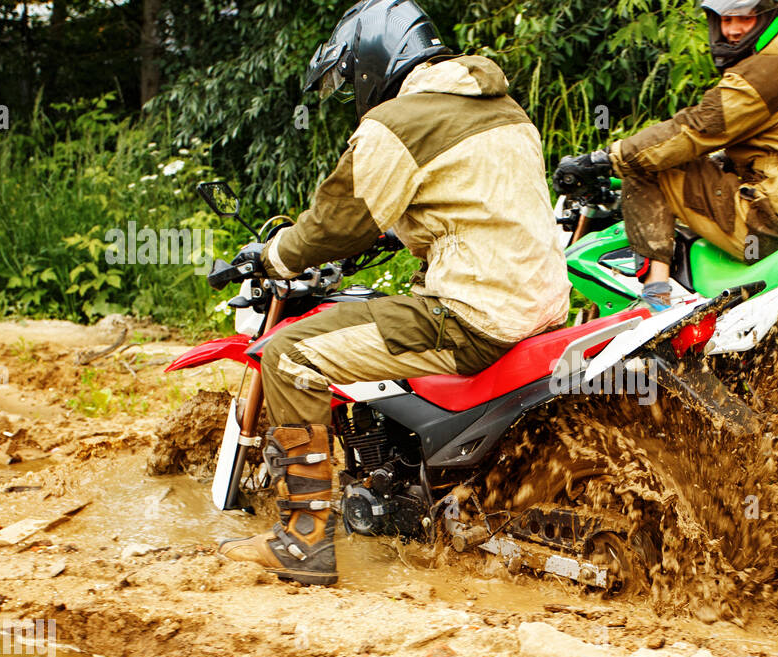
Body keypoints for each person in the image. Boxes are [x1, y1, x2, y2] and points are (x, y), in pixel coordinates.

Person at [218, 0, 570, 586]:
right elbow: (467, 198)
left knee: (289, 355)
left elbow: (335, 222)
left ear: (370, 63)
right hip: (539, 308)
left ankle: (302, 541)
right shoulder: (500, 106)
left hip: (473, 315)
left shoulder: (399, 121)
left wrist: (273, 254)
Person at [553, 0, 778, 307]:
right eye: (723, 20)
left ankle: (654, 302)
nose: (732, 30)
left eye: (744, 18)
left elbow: (695, 128)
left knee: (644, 164)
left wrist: (606, 159)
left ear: (775, 15)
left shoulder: (770, 69)